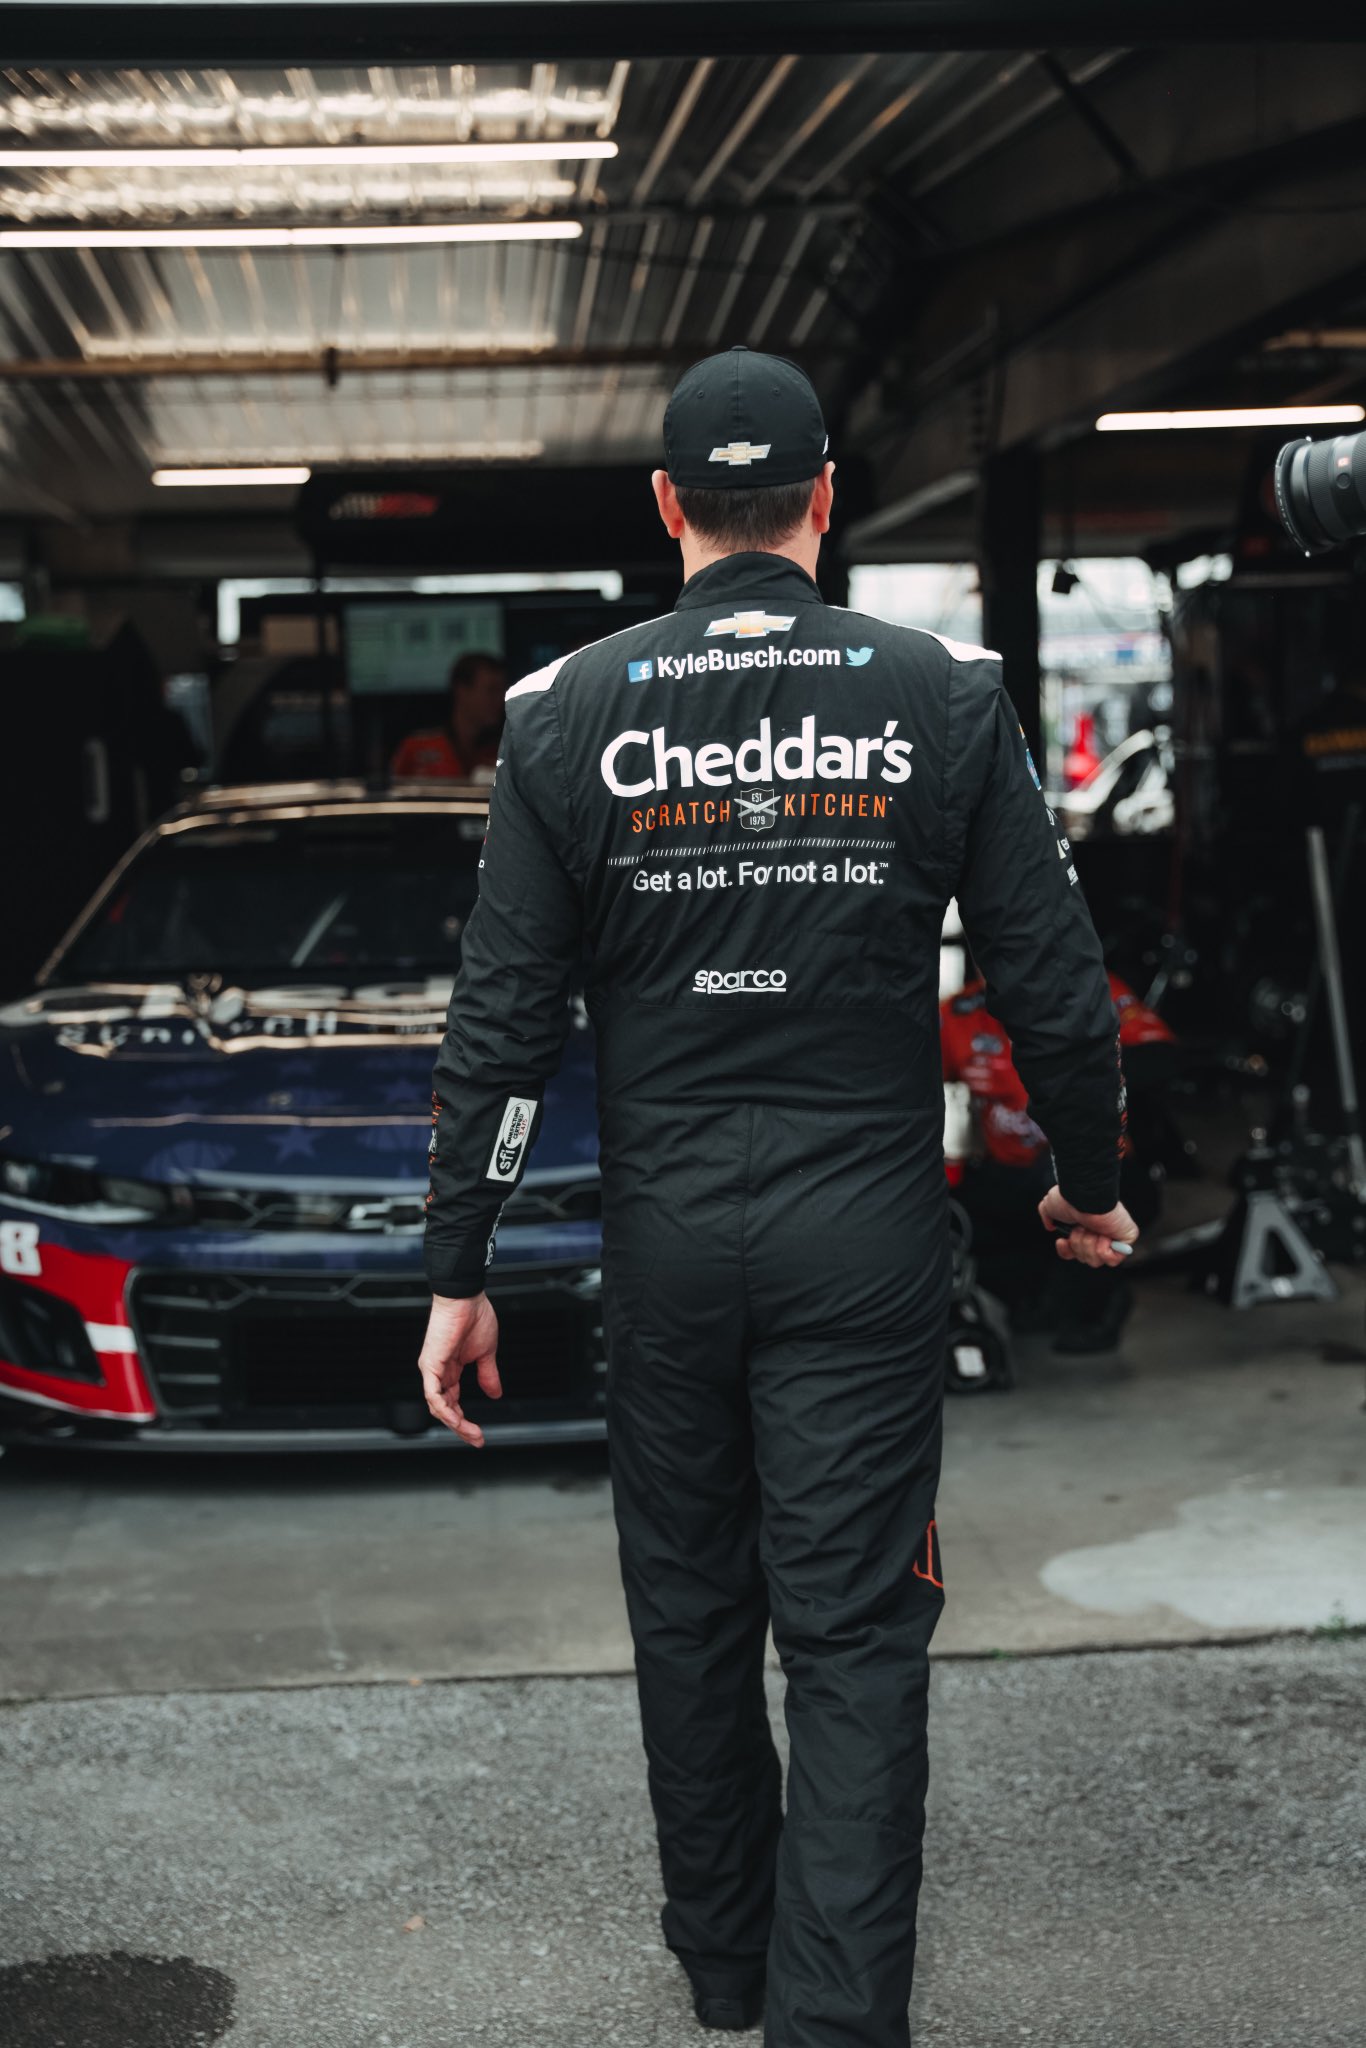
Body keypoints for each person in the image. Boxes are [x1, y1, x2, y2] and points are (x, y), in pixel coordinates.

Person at [419, 345, 1137, 2047]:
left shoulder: (561, 714)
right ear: (825, 495)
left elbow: (500, 1024)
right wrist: (1086, 1186)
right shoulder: (940, 695)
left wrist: (459, 1263)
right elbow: (1056, 988)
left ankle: (727, 1966)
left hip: (668, 1246)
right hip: (864, 1245)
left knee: (689, 1613)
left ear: (666, 506)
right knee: (857, 1634)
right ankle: (831, 2021)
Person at [389, 650, 507, 780]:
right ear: (462, 691)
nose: (500, 699)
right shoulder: (417, 749)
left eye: (501, 691)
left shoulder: (502, 752)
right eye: (491, 690)